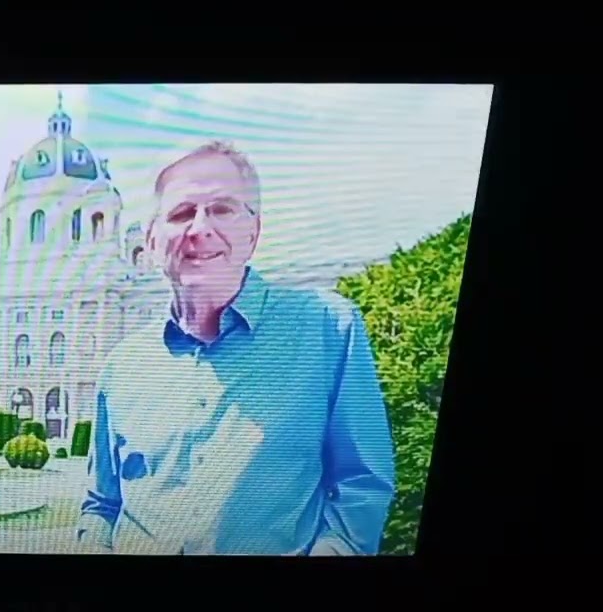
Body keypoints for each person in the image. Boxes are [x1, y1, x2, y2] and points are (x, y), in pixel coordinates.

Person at [76, 141, 395, 555]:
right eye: (181, 213)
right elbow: (102, 504)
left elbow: (362, 486)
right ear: (152, 242)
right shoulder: (122, 365)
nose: (200, 229)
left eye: (222, 209)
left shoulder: (329, 327)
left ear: (253, 233)